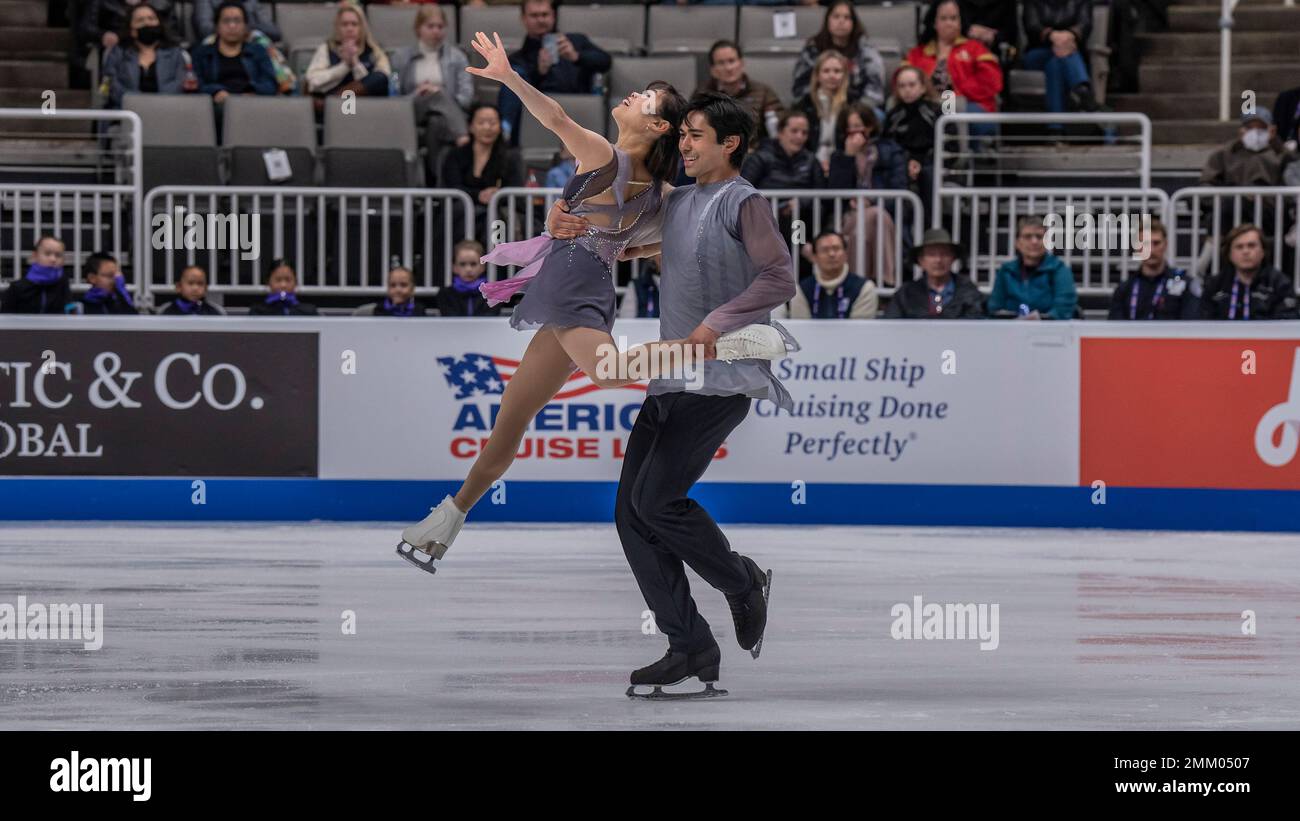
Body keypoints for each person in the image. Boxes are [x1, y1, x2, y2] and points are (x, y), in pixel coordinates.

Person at [397, 36, 788, 582]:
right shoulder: (657, 193)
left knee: (608, 373)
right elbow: (656, 241)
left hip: (576, 293)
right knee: (510, 425)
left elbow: (554, 116)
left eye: (647, 100)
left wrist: (509, 77)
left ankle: (722, 342)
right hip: (564, 292)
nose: (633, 96)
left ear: (657, 129)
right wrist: (591, 235)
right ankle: (450, 517)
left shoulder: (605, 155)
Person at [548, 92, 798, 696]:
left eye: (696, 136)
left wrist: (719, 321)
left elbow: (779, 274)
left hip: (722, 380)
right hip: (672, 377)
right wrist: (567, 220)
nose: (683, 146)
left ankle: (742, 583)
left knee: (657, 502)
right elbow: (624, 233)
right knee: (631, 514)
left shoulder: (746, 202)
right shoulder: (677, 199)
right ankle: (688, 643)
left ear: (729, 144)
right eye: (681, 134)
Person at [496, 0, 612, 143]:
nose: (540, 20)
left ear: (554, 16)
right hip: (541, 119)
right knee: (513, 75)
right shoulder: (518, 59)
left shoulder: (576, 41)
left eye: (545, 14)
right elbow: (521, 96)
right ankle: (504, 133)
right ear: (523, 19)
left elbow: (606, 62)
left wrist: (577, 56)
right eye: (534, 15)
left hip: (580, 112)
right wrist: (539, 72)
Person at [827, 102, 906, 286]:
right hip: (847, 215)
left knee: (874, 218)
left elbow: (899, 190)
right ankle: (884, 282)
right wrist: (848, 157)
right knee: (866, 221)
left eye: (858, 126)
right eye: (850, 128)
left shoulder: (890, 151)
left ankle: (861, 284)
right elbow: (833, 197)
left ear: (870, 126)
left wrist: (871, 202)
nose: (854, 132)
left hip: (885, 212)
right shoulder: (839, 156)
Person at [391, 4, 474, 154]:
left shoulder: (457, 57)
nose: (436, 31)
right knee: (435, 95)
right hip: (413, 109)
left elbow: (466, 97)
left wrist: (440, 94)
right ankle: (462, 135)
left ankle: (435, 176)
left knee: (436, 121)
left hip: (448, 115)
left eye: (440, 26)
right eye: (430, 26)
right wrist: (419, 93)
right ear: (418, 28)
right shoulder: (401, 58)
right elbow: (395, 98)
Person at [905, 1, 1003, 126]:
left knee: (950, 113)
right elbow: (902, 79)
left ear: (960, 22)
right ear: (934, 23)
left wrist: (956, 94)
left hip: (968, 103)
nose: (949, 23)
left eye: (953, 18)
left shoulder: (976, 49)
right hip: (926, 104)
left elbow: (992, 81)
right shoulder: (917, 54)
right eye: (943, 18)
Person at [440, 103, 525, 243]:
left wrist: (497, 194)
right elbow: (452, 187)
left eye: (492, 123)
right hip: (461, 214)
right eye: (481, 122)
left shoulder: (510, 157)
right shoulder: (455, 155)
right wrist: (478, 195)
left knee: (494, 218)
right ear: (471, 126)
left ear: (499, 127)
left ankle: (496, 262)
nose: (487, 128)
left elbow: (516, 190)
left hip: (497, 214)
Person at [792, 1, 885, 110]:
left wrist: (857, 111)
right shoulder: (812, 48)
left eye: (847, 17)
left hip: (857, 108)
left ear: (853, 23)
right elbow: (800, 86)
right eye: (836, 17)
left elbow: (875, 89)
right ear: (828, 20)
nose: (841, 21)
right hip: (818, 106)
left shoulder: (866, 50)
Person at [100, 2, 191, 108]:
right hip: (128, 113)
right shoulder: (118, 53)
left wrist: (157, 104)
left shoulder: (175, 53)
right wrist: (137, 103)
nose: (147, 23)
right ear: (132, 30)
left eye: (151, 18)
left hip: (168, 110)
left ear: (159, 24)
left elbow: (180, 82)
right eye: (140, 20)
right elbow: (111, 85)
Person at [986, 215, 1079, 319]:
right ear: (1017, 243)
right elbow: (994, 308)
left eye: (1039, 237)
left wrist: (1040, 320)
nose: (1034, 241)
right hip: (1010, 331)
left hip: (1050, 331)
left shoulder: (1059, 269)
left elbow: (1063, 310)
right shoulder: (1006, 271)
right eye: (1027, 236)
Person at [696, 40, 783, 150]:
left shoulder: (763, 92)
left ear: (741, 63)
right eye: (721, 63)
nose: (728, 68)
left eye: (731, 61)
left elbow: (781, 130)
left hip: (754, 157)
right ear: (713, 70)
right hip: (715, 157)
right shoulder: (703, 95)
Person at [1200, 224, 1299, 320]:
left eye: (1251, 246)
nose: (1246, 251)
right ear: (1229, 254)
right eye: (1239, 247)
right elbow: (1202, 322)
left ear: (1263, 252)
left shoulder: (1280, 284)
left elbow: (1287, 322)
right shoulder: (1215, 285)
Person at [1107, 220, 1200, 320]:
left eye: (1156, 243)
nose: (1151, 249)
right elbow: (1115, 329)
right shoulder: (1125, 289)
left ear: (1165, 245)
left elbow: (1191, 327)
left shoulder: (1185, 285)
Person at [1020, 0, 1098, 119]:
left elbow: (1085, 24)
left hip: (1070, 50)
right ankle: (1082, 87)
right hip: (1038, 53)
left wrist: (1070, 35)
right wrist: (1052, 36)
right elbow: (1032, 26)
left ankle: (1056, 129)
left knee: (1055, 64)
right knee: (1065, 54)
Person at [885, 228, 986, 318]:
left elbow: (977, 325)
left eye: (944, 254)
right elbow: (891, 326)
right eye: (931, 254)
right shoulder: (906, 294)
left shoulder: (968, 291)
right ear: (921, 260)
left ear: (953, 258)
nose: (938, 260)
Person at [305, 2, 392, 104]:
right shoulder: (326, 49)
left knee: (380, 77)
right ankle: (334, 104)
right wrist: (344, 66)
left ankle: (332, 103)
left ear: (362, 27)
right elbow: (313, 82)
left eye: (354, 24)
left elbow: (379, 84)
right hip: (337, 112)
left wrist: (355, 63)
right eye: (344, 24)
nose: (349, 29)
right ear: (338, 27)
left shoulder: (375, 51)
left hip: (364, 106)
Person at [883, 66, 941, 218]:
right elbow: (888, 146)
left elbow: (948, 145)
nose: (907, 90)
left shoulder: (937, 112)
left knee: (928, 175)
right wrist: (906, 162)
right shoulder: (893, 116)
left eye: (912, 85)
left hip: (931, 163)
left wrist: (921, 163)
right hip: (901, 163)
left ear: (922, 87)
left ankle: (929, 228)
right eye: (902, 86)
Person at [192, 1, 278, 102]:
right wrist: (216, 91)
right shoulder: (202, 53)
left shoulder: (258, 51)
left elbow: (270, 84)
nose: (232, 26)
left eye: (237, 21)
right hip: (216, 105)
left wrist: (253, 92)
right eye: (226, 21)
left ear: (245, 26)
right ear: (217, 26)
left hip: (252, 104)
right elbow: (197, 84)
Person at [788, 230, 877, 319]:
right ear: (814, 257)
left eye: (836, 248)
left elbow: (861, 330)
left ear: (846, 254)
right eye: (825, 250)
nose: (831, 254)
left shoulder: (864, 288)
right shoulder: (801, 291)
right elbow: (800, 330)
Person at [792, 51, 853, 172]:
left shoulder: (853, 104)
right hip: (808, 164)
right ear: (817, 75)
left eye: (837, 71)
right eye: (826, 71)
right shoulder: (803, 105)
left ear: (844, 75)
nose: (832, 75)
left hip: (843, 163)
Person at [1, 237, 72, 314]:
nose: (53, 259)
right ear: (35, 256)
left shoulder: (63, 283)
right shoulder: (17, 288)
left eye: (58, 255)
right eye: (47, 254)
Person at [436, 240, 500, 317]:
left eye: (473, 264)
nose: (468, 269)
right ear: (454, 267)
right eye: (462, 264)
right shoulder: (445, 294)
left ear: (483, 266)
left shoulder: (494, 294)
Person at [249, 259, 318, 316]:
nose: (283, 285)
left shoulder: (309, 312)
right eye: (278, 280)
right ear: (268, 282)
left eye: (288, 280)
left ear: (296, 282)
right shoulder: (257, 312)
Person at [191, 0, 278, 42]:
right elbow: (204, 30)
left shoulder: (251, 2)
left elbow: (274, 32)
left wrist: (246, 27)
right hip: (217, 48)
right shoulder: (207, 1)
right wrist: (230, 29)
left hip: (253, 46)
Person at [159, 265, 225, 314]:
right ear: (178, 287)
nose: (195, 288)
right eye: (190, 283)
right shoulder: (166, 311)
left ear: (205, 288)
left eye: (200, 284)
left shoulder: (216, 311)